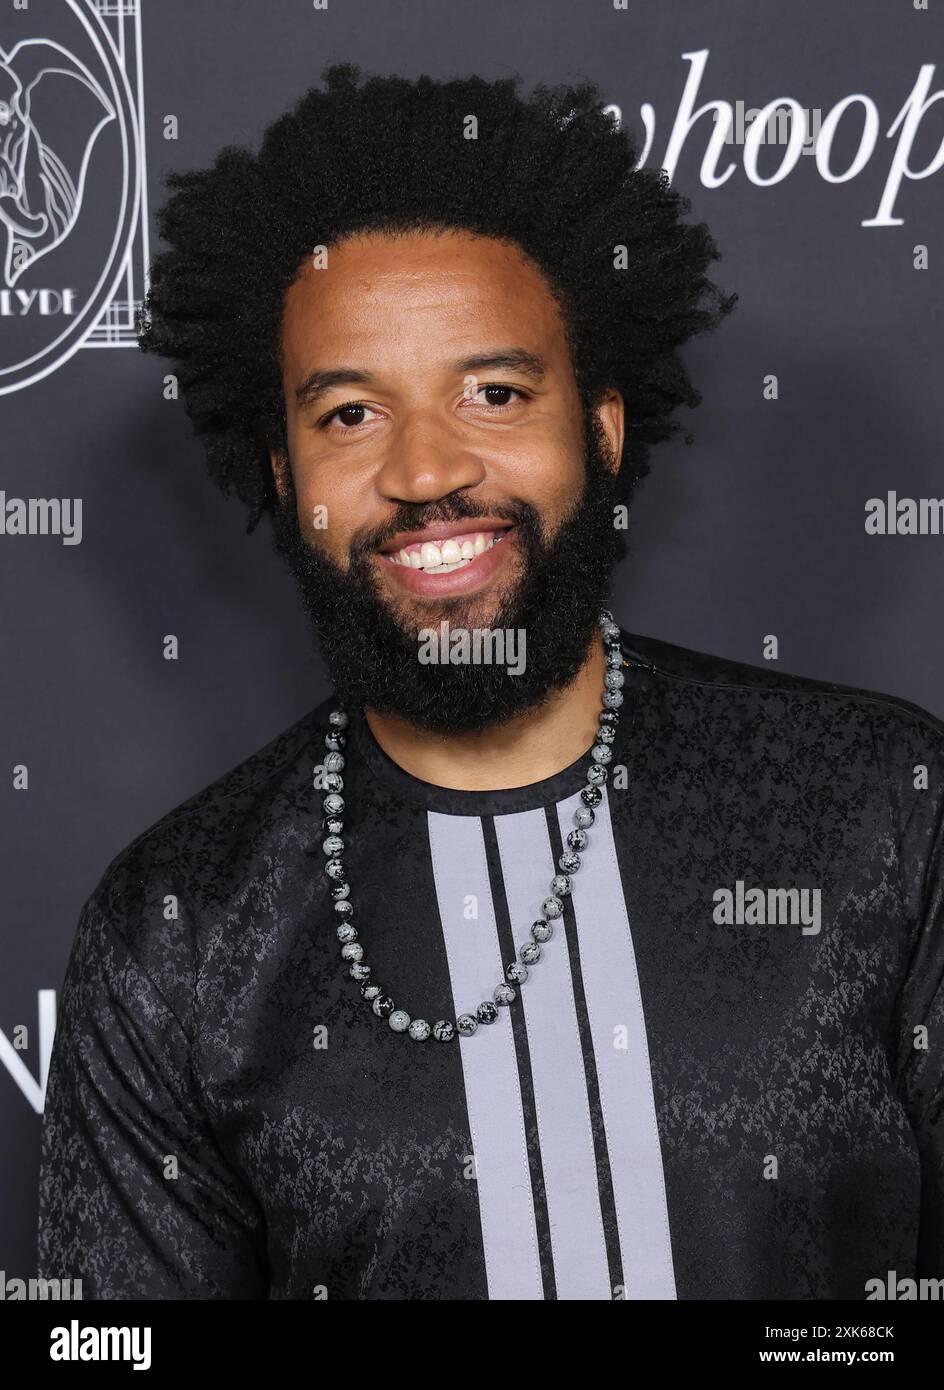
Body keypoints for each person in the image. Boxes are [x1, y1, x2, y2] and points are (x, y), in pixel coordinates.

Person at [37, 63, 943, 1301]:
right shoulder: (179, 927)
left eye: (494, 392)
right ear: (280, 471)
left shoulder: (883, 809)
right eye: (349, 413)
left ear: (603, 428)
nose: (423, 469)